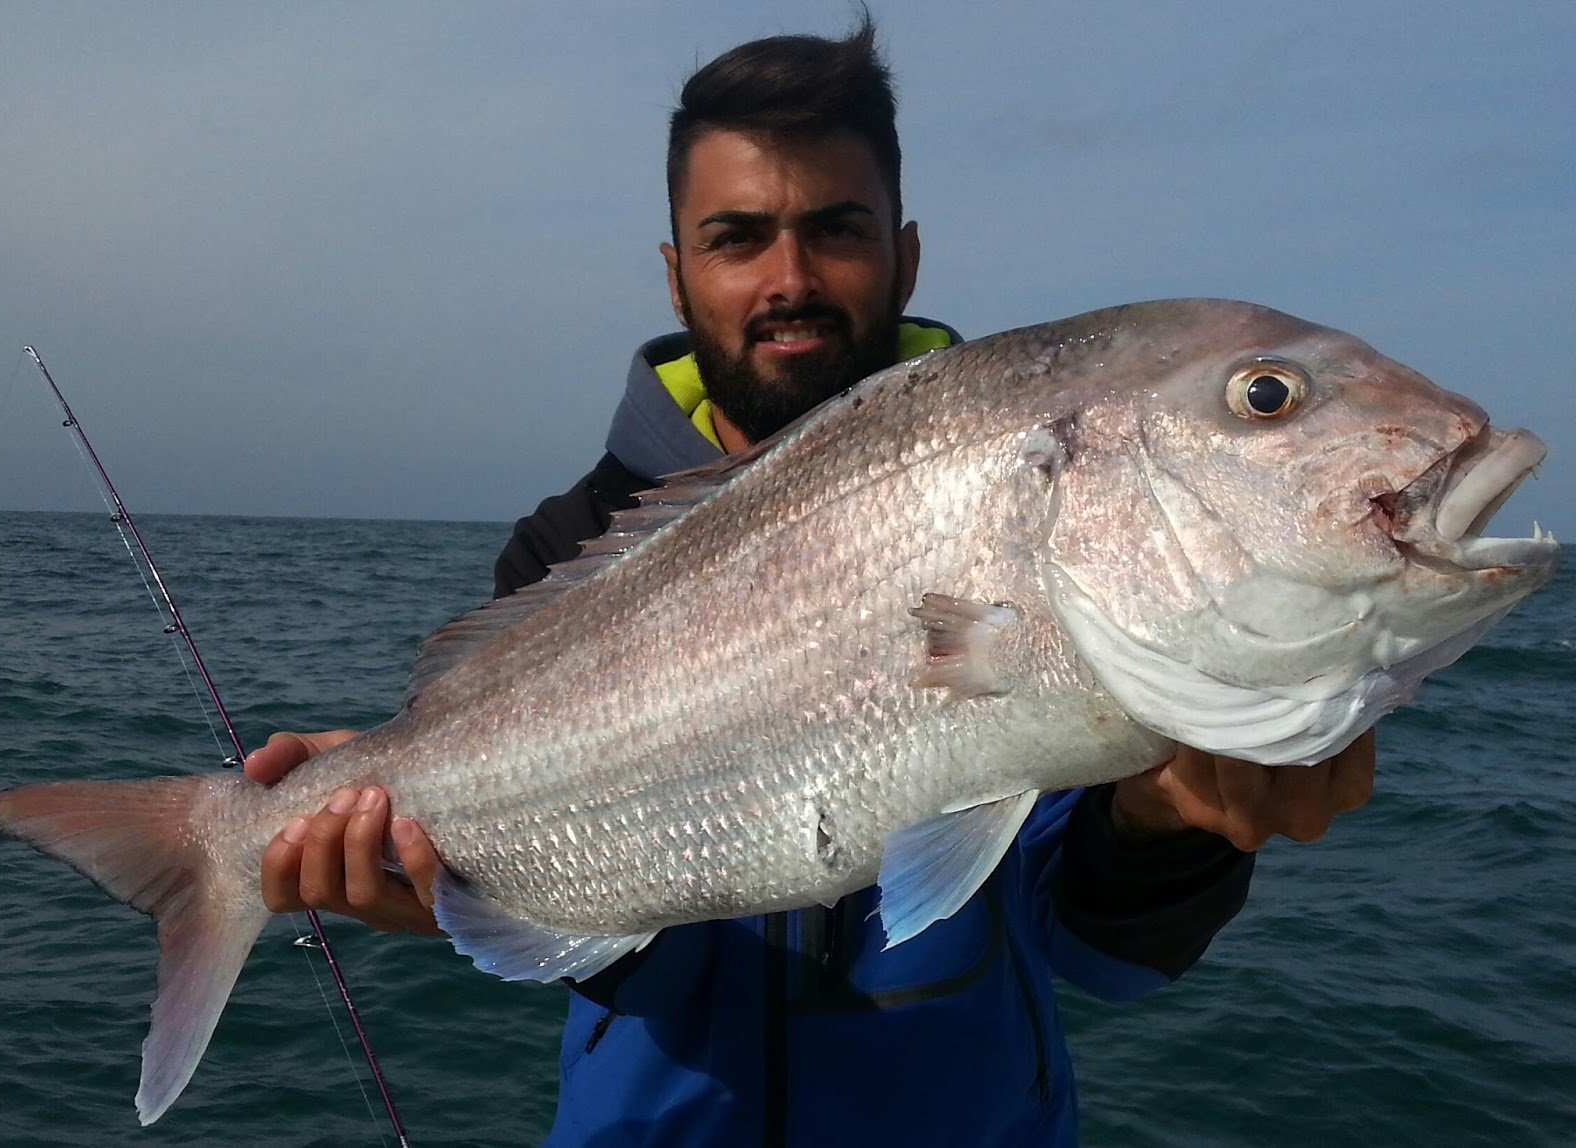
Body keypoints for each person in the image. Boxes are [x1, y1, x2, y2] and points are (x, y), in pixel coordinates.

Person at [246, 20, 1375, 1146]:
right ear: (677, 273)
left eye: (836, 229)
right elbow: (607, 956)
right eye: (737, 238)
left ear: (905, 254)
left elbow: (1099, 954)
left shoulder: (1029, 498)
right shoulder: (573, 544)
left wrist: (1174, 826)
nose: (789, 280)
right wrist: (453, 876)